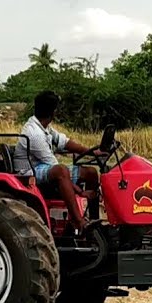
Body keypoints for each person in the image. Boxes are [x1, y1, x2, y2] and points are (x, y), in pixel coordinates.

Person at [14, 91, 102, 230]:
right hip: (29, 172)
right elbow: (55, 166)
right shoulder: (34, 134)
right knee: (61, 170)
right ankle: (78, 221)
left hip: (41, 166)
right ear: (53, 112)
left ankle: (94, 219)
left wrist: (92, 152)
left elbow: (63, 142)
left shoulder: (43, 126)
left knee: (91, 172)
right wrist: (80, 192)